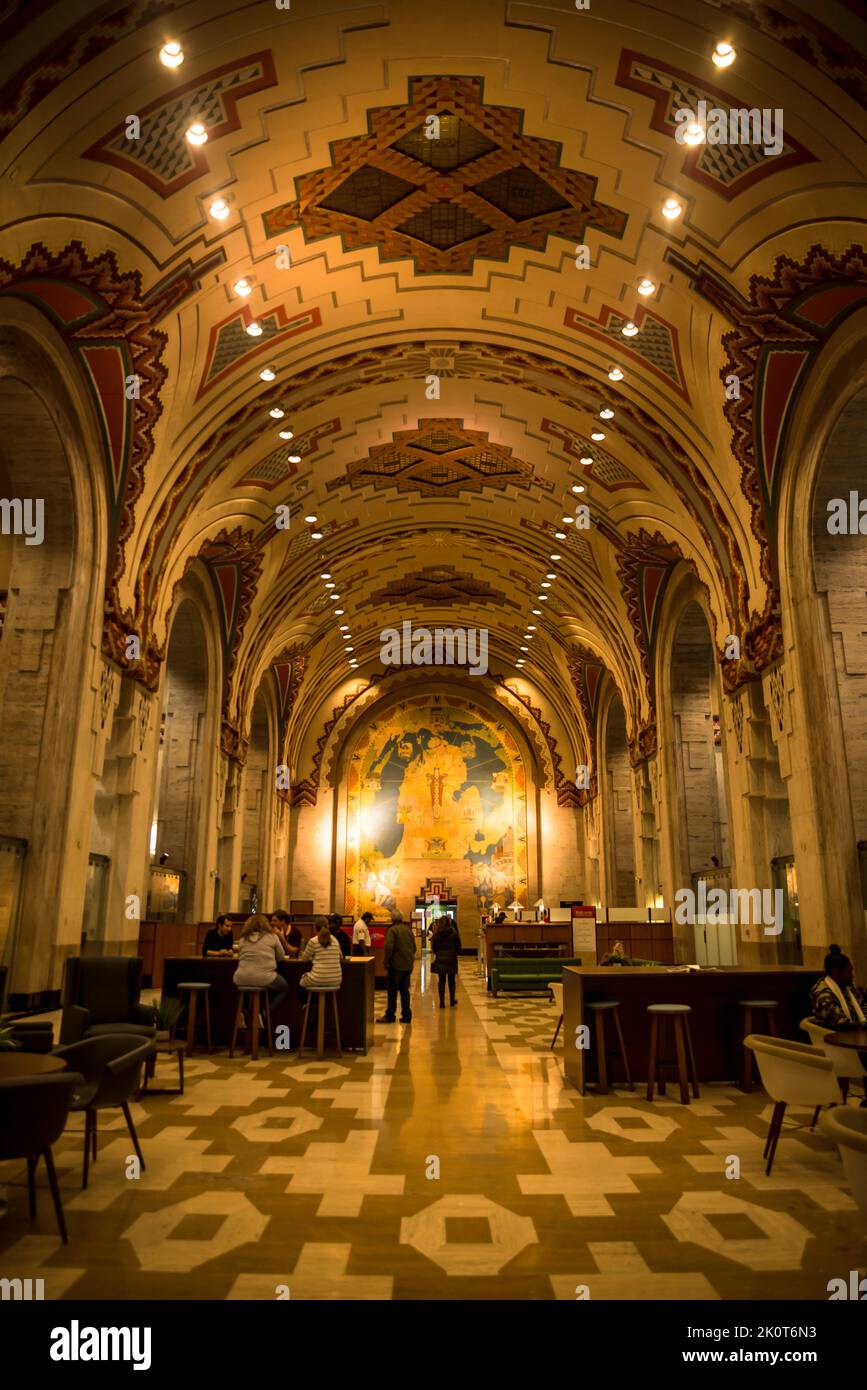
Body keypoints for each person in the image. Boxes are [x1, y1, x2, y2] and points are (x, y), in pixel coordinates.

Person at [233, 913, 289, 1015]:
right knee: (284, 987)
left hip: (241, 977)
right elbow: (281, 957)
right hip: (265, 977)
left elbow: (240, 956)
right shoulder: (272, 937)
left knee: (246, 987)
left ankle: (244, 1012)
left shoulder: (243, 939)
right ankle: (264, 1013)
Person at [810, 944, 867, 1030]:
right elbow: (842, 1024)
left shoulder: (846, 988)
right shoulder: (824, 996)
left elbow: (863, 994)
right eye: (848, 972)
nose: (852, 976)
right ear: (835, 972)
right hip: (836, 1036)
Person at [377, 910, 416, 1024]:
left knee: (392, 991)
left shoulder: (392, 930)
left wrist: (386, 961)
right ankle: (406, 1016)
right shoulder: (408, 930)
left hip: (396, 966)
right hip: (407, 965)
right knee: (405, 991)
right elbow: (414, 948)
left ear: (392, 919)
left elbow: (389, 947)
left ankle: (390, 1015)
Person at [298, 916, 345, 1000]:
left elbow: (304, 958)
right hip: (336, 979)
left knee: (300, 983)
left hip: (318, 978)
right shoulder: (335, 940)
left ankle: (309, 1005)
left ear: (315, 928)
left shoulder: (313, 941)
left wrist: (309, 956)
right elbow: (341, 957)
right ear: (328, 926)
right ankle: (320, 1006)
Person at [430, 913, 461, 1007]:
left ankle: (442, 1002)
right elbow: (459, 948)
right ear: (449, 923)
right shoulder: (454, 934)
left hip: (440, 960)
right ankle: (452, 1000)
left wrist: (439, 953)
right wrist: (454, 953)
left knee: (441, 981)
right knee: (452, 981)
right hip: (452, 960)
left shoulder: (436, 935)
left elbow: (434, 948)